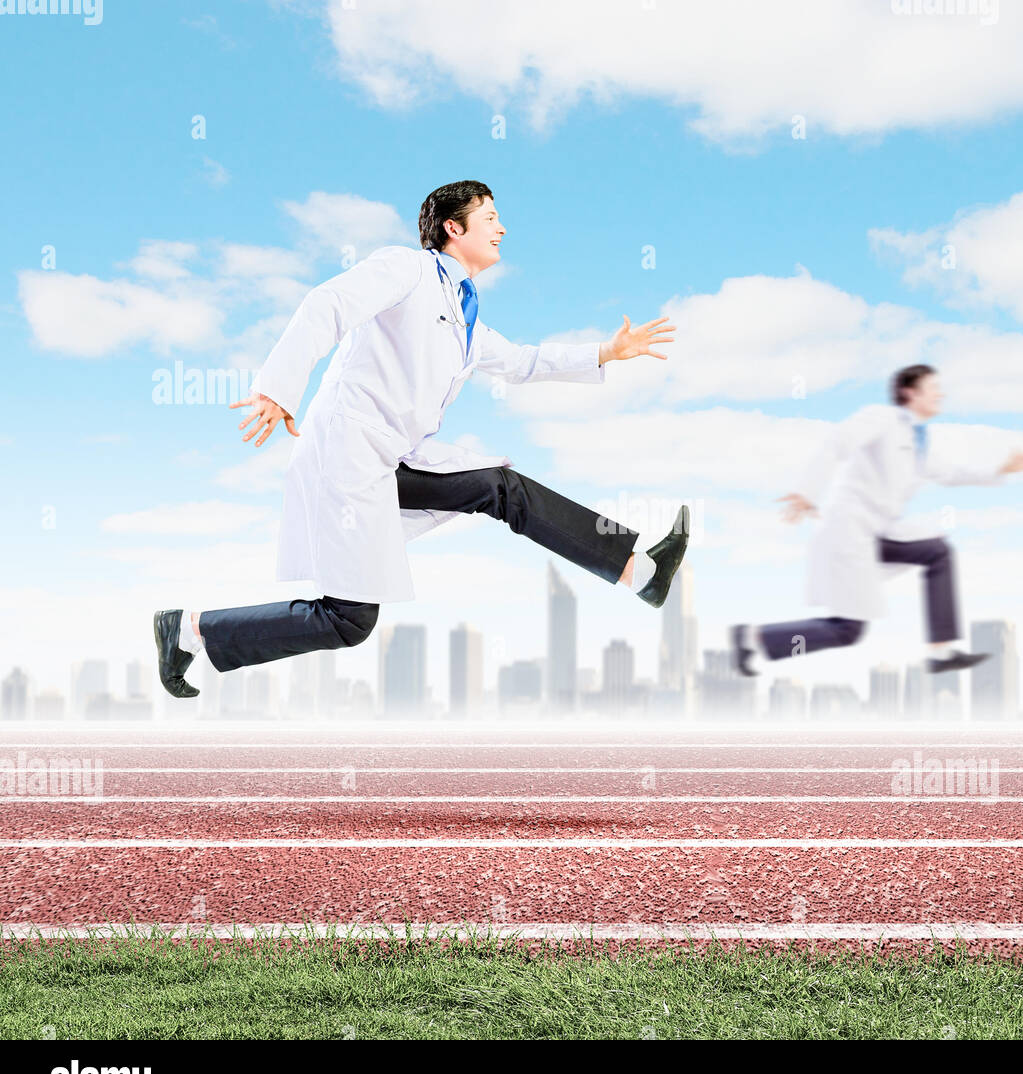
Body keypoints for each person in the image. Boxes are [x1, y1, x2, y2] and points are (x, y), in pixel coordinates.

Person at [154, 180, 687, 698]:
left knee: (500, 487)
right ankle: (192, 630)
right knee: (349, 620)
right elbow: (328, 305)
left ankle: (641, 574)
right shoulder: (405, 269)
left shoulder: (467, 319)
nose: (503, 228)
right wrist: (279, 388)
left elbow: (524, 362)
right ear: (454, 227)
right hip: (348, 454)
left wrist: (607, 351)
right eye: (491, 218)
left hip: (393, 462)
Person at [730, 363, 1023, 677]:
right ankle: (752, 636)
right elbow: (838, 443)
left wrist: (1001, 470)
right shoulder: (882, 418)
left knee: (938, 552)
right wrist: (807, 491)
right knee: (848, 631)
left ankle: (941, 651)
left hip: (876, 535)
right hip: (849, 531)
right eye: (933, 388)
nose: (940, 394)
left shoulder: (920, 441)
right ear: (910, 392)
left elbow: (952, 474)